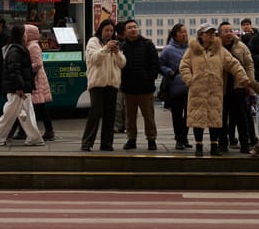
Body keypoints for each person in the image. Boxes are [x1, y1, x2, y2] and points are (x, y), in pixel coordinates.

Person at [179, 23, 252, 157]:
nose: (212, 35)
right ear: (201, 35)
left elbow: (233, 64)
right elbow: (184, 66)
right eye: (209, 33)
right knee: (197, 118)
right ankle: (199, 146)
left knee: (215, 118)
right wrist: (190, 80)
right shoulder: (192, 50)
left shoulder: (220, 50)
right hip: (197, 90)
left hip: (215, 90)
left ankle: (214, 145)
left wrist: (243, 77)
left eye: (213, 33)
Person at [0, 23, 44, 146]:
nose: (26, 36)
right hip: (18, 88)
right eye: (25, 33)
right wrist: (19, 87)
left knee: (25, 113)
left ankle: (34, 137)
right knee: (11, 114)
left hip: (20, 87)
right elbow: (14, 70)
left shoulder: (14, 49)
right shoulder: (16, 50)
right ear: (21, 35)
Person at [81, 19, 126, 151]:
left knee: (110, 115)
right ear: (101, 30)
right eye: (106, 30)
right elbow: (94, 59)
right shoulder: (93, 42)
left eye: (111, 30)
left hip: (112, 84)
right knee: (95, 113)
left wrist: (117, 52)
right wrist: (106, 48)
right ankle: (87, 142)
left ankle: (106, 144)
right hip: (97, 84)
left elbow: (122, 63)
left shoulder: (115, 45)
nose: (109, 33)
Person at [119, 19, 160, 151]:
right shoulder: (122, 46)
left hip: (145, 88)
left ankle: (151, 139)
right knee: (130, 117)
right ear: (125, 31)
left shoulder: (148, 44)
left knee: (148, 116)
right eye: (130, 27)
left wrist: (149, 79)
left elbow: (155, 64)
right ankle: (131, 139)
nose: (133, 29)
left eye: (135, 27)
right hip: (128, 88)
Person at [219, 21, 256, 152]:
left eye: (231, 30)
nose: (229, 33)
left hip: (238, 86)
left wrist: (250, 83)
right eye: (226, 31)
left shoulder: (241, 46)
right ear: (220, 33)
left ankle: (245, 144)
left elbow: (249, 65)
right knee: (222, 117)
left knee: (241, 117)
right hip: (221, 87)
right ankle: (222, 143)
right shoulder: (216, 47)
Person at [159, 23, 190, 150]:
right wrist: (168, 72)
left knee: (189, 115)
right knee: (177, 115)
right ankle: (179, 139)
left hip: (189, 86)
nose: (184, 34)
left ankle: (184, 137)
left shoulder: (191, 49)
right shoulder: (167, 50)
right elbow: (160, 65)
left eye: (186, 32)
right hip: (175, 88)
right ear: (175, 34)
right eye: (182, 32)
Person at [25, 23, 55, 141]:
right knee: (33, 106)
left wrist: (26, 69)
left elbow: (37, 64)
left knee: (38, 106)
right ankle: (47, 130)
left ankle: (49, 130)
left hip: (36, 79)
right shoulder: (30, 45)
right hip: (34, 77)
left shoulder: (33, 47)